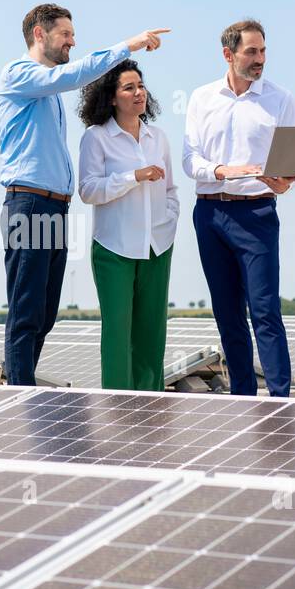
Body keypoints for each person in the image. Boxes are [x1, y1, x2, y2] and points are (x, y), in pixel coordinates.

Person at [0, 4, 168, 386]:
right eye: (66, 34)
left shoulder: (49, 89)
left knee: (44, 311)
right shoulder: (19, 74)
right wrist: (128, 46)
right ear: (40, 35)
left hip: (54, 208)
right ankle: (19, 395)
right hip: (29, 205)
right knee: (26, 309)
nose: (72, 41)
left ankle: (23, 384)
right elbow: (75, 74)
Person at [182, 18, 295, 396]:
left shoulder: (281, 100)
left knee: (265, 312)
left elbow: (290, 168)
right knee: (228, 316)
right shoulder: (201, 98)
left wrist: (285, 182)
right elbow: (189, 160)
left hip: (257, 215)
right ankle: (242, 399)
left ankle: (280, 400)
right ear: (228, 55)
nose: (260, 58)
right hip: (210, 215)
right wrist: (222, 171)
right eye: (252, 51)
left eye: (263, 50)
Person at [77, 60, 179, 391]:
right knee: (118, 336)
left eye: (141, 86)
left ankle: (151, 409)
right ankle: (117, 411)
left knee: (152, 334)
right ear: (111, 97)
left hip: (157, 247)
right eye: (128, 88)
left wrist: (168, 224)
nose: (139, 93)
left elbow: (172, 191)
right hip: (114, 249)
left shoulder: (158, 137)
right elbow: (88, 190)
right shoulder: (96, 138)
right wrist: (133, 177)